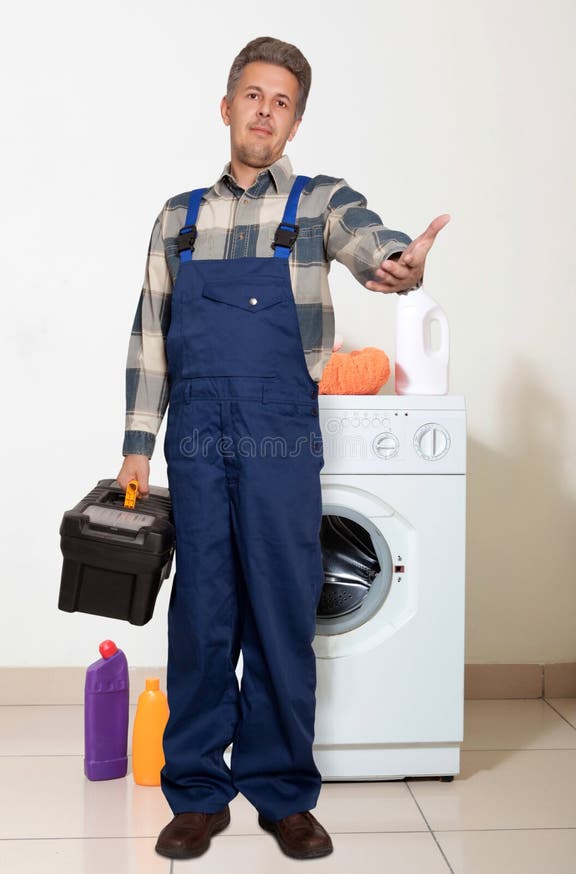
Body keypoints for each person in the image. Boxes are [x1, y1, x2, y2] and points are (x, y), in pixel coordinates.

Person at [117, 36, 449, 861]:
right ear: (227, 107)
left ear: (295, 119)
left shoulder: (319, 203)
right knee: (201, 615)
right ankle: (194, 790)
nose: (266, 112)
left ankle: (282, 793)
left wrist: (398, 263)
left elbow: (374, 243)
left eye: (283, 102)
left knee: (278, 608)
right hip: (194, 434)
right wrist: (134, 445)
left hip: (278, 436)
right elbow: (150, 335)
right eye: (254, 96)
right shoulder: (177, 218)